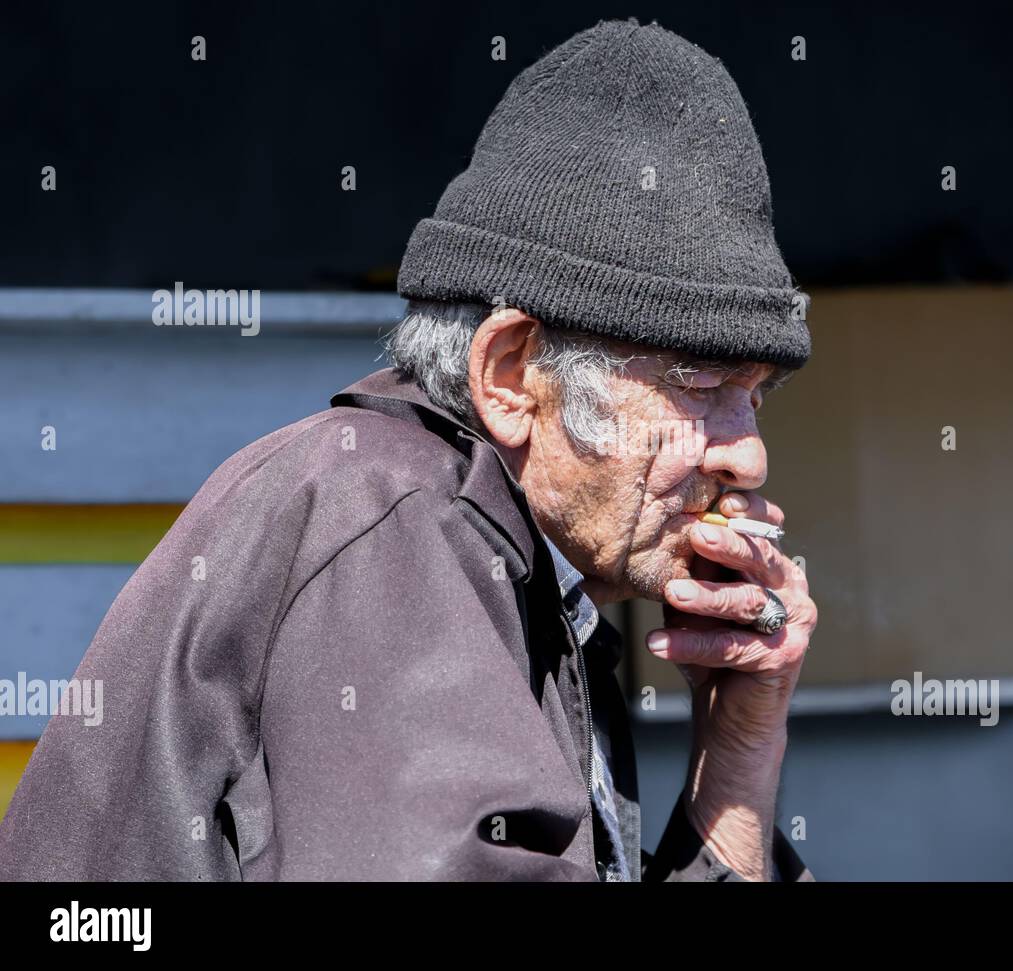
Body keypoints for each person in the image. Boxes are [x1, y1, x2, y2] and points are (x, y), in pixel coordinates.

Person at [0, 17, 816, 881]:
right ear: (509, 375)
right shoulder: (396, 526)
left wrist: (738, 749)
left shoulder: (522, 578)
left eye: (754, 393)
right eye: (698, 382)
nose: (749, 455)